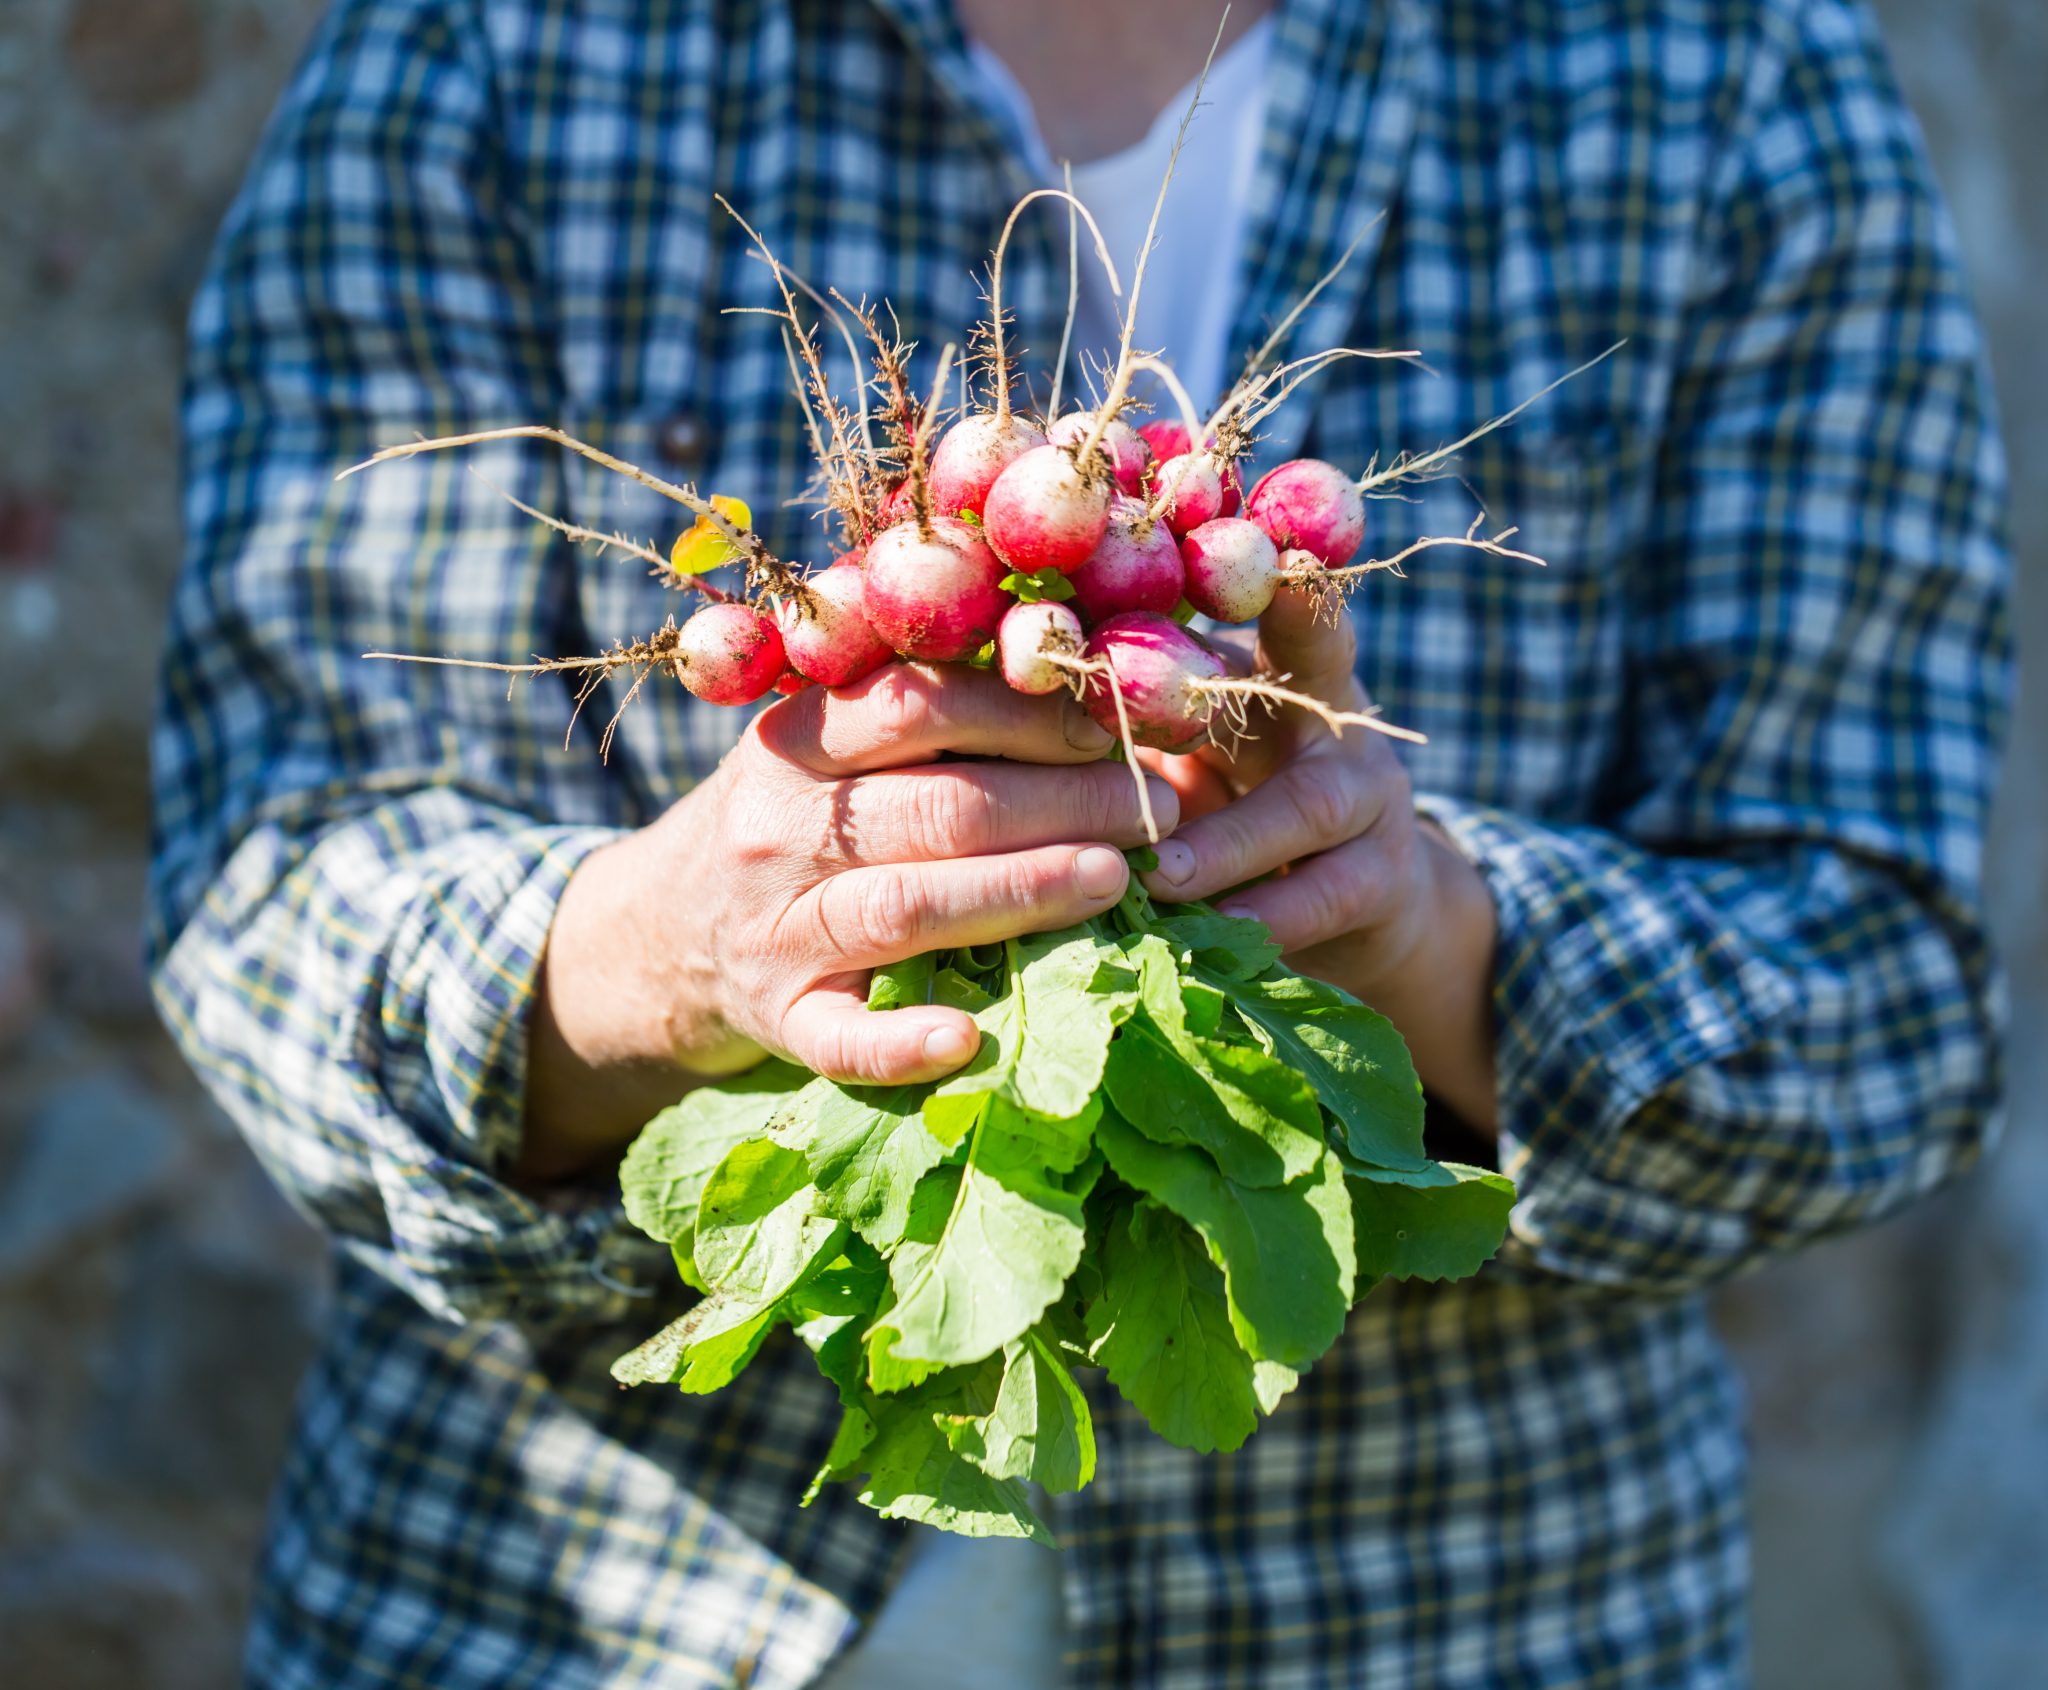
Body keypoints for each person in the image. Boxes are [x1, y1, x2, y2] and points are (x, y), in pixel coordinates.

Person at [146, 0, 2012, 1683]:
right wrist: (668, 949)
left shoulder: (1724, 66)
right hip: (587, 1609)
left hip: (1447, 1608)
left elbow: (1888, 998)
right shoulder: (494, 42)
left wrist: (1433, 936)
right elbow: (269, 889)